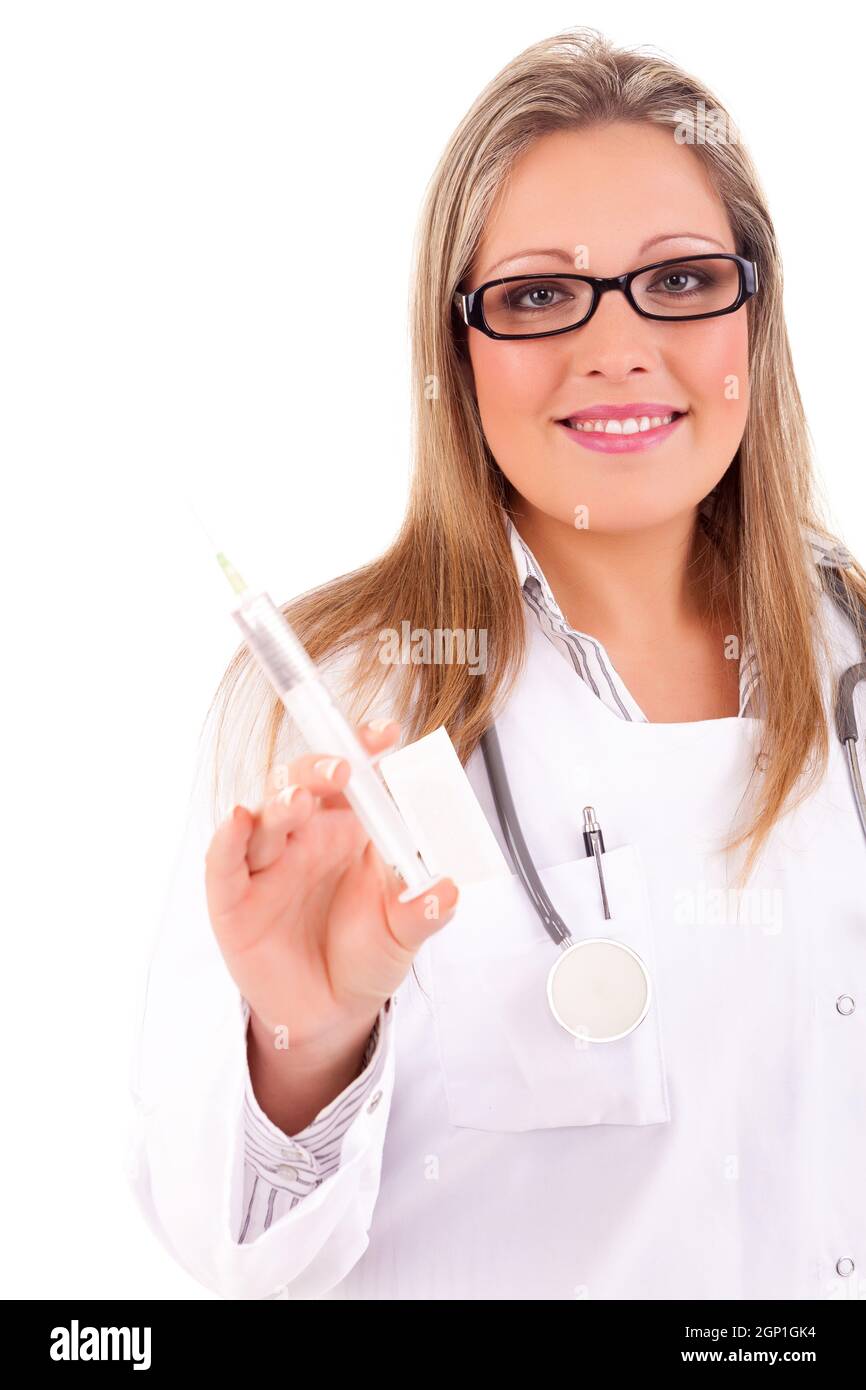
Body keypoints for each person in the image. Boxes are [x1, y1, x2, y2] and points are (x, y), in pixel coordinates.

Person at [127, 26, 866, 1300]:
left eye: (680, 280)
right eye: (536, 295)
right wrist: (307, 1032)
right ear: (455, 349)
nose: (618, 345)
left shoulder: (846, 651)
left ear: (753, 310)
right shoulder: (347, 703)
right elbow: (232, 1258)